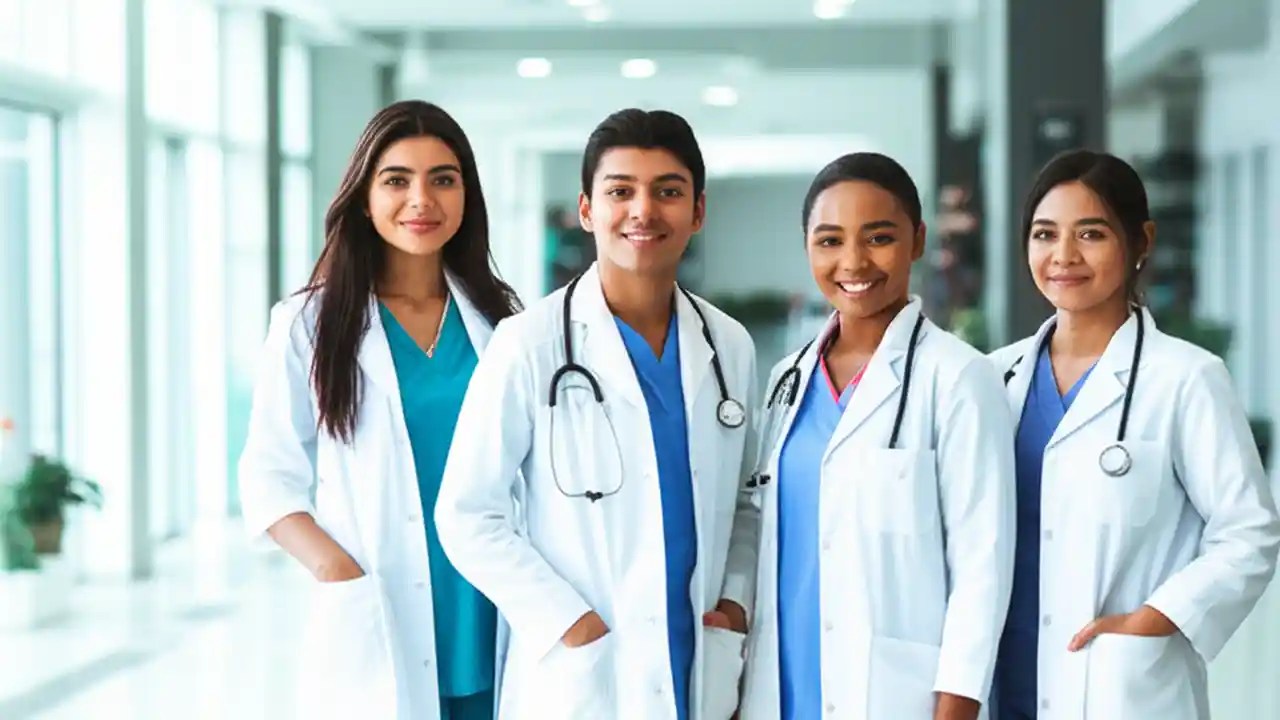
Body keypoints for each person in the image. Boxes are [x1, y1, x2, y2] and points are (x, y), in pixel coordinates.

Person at [435, 108, 757, 720]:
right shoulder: (528, 344)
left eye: (668, 191)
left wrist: (735, 604)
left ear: (698, 211)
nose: (644, 211)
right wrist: (567, 623)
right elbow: (467, 513)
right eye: (620, 191)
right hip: (584, 672)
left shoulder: (728, 345)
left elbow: (746, 505)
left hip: (697, 657)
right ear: (587, 209)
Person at [237, 100, 522, 720]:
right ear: (363, 198)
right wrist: (337, 570)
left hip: (492, 603)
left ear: (466, 196)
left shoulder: (503, 322)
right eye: (397, 180)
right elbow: (268, 476)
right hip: (379, 608)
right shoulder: (309, 324)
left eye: (443, 179)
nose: (421, 199)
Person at [987, 149, 1280, 720]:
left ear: (1140, 241)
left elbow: (1249, 532)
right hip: (1003, 675)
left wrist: (1155, 619)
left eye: (1090, 234)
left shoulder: (1186, 378)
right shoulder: (994, 377)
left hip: (1115, 684)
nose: (1063, 256)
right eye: (1045, 234)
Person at [727, 152, 1016, 720]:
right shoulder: (787, 377)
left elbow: (983, 562)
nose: (853, 261)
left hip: (896, 696)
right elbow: (761, 527)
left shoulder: (958, 377)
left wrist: (956, 706)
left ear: (917, 240)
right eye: (830, 240)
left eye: (878, 237)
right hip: (781, 689)